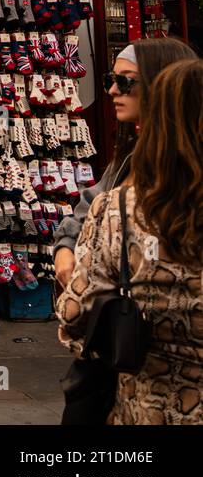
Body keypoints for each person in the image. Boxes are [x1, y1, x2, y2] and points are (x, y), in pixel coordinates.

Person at [56, 58, 203, 424]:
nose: (112, 91)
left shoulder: (120, 209)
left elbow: (76, 315)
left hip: (150, 405)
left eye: (126, 82)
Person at [54, 37, 198, 288]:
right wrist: (65, 247)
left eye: (125, 81)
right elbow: (89, 206)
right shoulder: (131, 156)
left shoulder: (184, 161)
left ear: (162, 83)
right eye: (110, 80)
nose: (112, 90)